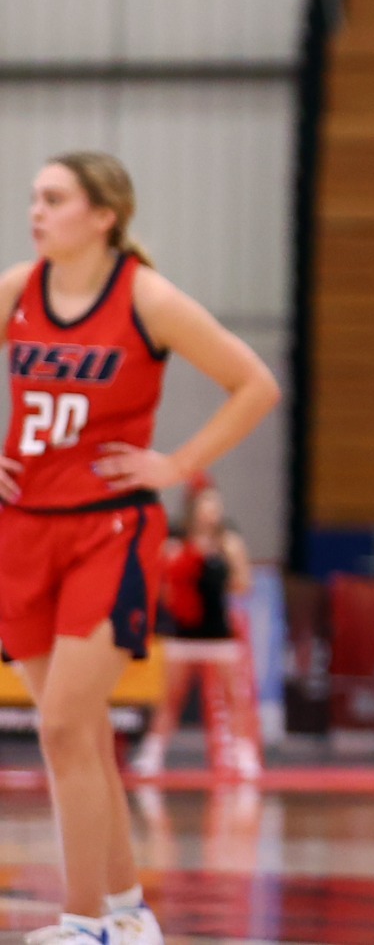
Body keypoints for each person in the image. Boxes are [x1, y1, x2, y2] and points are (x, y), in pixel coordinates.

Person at [1, 150, 280, 945]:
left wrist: (176, 465)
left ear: (104, 215)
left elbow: (255, 383)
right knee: (79, 734)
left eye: (54, 198)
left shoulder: (146, 298)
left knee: (61, 728)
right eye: (33, 198)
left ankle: (83, 922)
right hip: (22, 529)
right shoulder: (20, 289)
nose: (36, 211)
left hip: (110, 531)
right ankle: (127, 914)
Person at [128, 474, 255, 779]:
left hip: (219, 633)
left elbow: (243, 584)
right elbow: (161, 586)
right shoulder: (177, 542)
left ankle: (244, 755)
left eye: (216, 504)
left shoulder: (229, 542)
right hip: (184, 634)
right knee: (171, 698)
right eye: (206, 504)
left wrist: (221, 574)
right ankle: (153, 755)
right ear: (194, 507)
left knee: (234, 697)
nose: (212, 510)